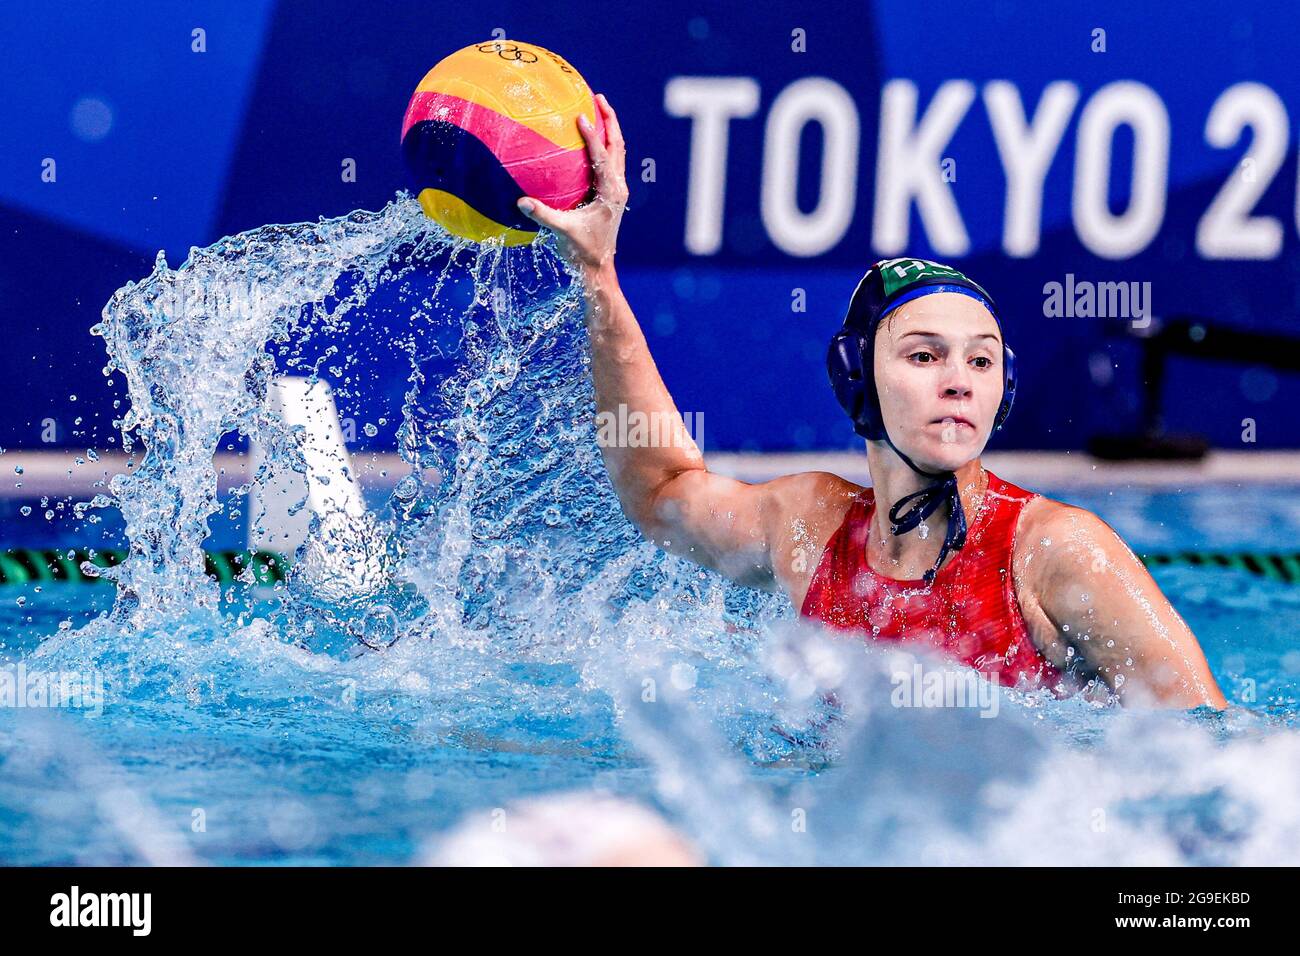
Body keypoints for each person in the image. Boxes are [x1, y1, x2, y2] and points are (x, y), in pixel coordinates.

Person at [515, 93, 1227, 710]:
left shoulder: (1054, 553)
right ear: (858, 378)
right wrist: (599, 275)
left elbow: (1210, 741)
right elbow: (660, 493)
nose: (960, 380)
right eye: (924, 355)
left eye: (981, 360)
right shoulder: (806, 528)